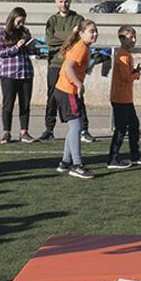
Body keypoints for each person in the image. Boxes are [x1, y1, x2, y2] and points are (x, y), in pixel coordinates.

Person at [42, 0, 92, 143]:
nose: (64, 4)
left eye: (66, 1)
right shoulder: (52, 20)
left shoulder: (78, 19)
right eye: (61, 1)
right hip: (55, 64)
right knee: (51, 97)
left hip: (72, 64)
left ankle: (84, 129)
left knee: (77, 95)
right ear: (56, 2)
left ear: (70, 1)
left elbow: (79, 39)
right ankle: (49, 129)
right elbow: (49, 40)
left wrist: (66, 36)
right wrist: (71, 34)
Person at [54, 20, 98, 179]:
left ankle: (65, 162)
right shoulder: (81, 47)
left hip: (64, 90)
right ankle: (77, 165)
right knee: (77, 126)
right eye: (91, 31)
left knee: (75, 127)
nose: (94, 34)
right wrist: (79, 84)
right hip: (68, 91)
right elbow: (68, 67)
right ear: (81, 33)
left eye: (95, 31)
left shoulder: (83, 46)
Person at [107, 25, 141, 169]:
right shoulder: (122, 55)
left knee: (134, 125)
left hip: (126, 97)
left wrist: (134, 71)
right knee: (121, 129)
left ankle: (135, 155)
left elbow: (126, 75)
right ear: (122, 39)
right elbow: (125, 77)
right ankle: (113, 158)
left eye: (134, 37)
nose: (134, 40)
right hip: (120, 98)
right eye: (130, 37)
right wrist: (136, 74)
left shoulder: (126, 55)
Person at [0, 6, 36, 144]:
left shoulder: (25, 32)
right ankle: (6, 132)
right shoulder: (1, 33)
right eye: (18, 22)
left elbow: (30, 52)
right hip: (9, 73)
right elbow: (0, 52)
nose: (21, 25)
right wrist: (16, 47)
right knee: (8, 104)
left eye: (23, 22)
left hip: (26, 72)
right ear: (12, 19)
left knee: (25, 104)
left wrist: (31, 47)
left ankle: (24, 132)